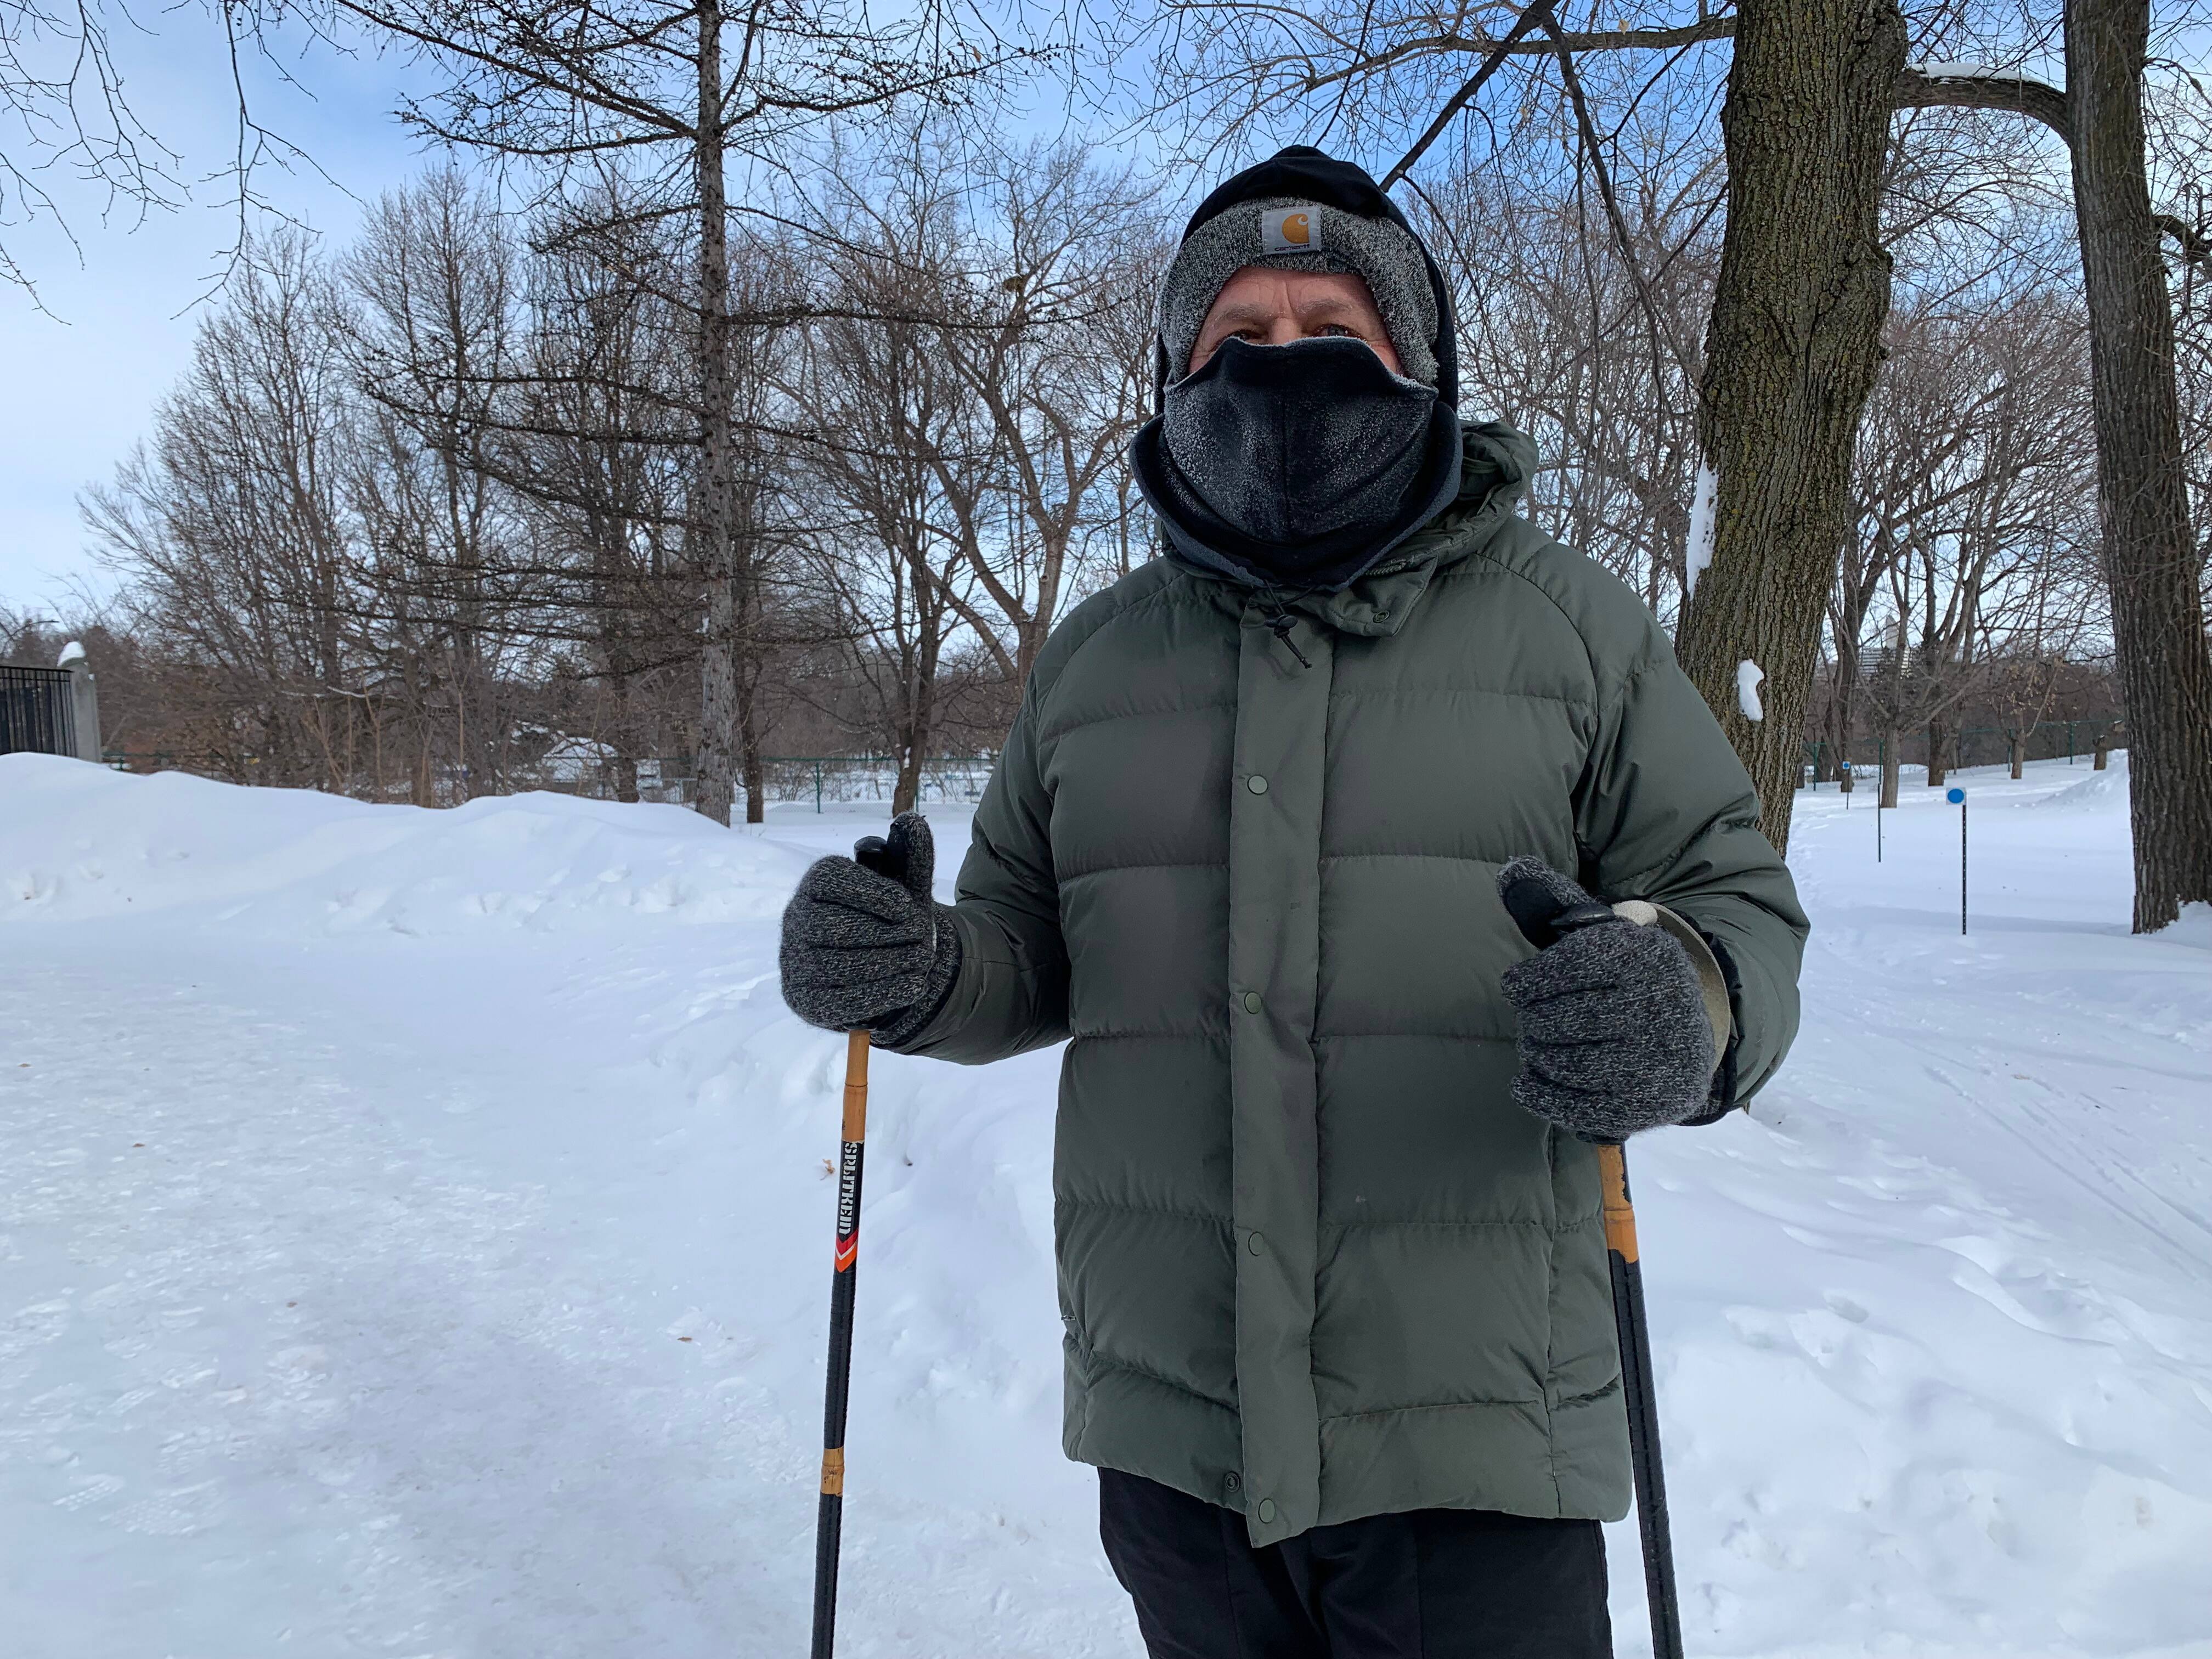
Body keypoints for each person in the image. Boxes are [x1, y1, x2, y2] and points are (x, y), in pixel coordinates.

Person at [780, 145, 1808, 1658]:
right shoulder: (1096, 660)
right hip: (1179, 1434)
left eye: (1335, 325)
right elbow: (1025, 951)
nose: (1289, 362)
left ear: (1418, 363)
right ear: (1174, 375)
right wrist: (913, 969)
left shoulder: (1569, 625)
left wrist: (1689, 1002)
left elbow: (1736, 902)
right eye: (1240, 335)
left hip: (1479, 1441)